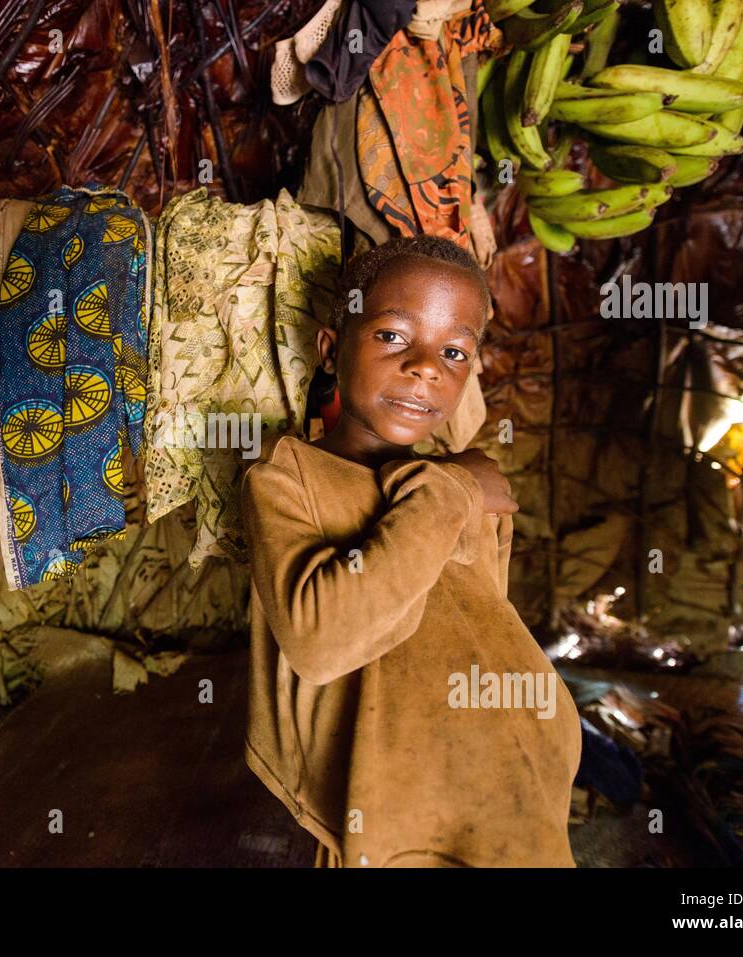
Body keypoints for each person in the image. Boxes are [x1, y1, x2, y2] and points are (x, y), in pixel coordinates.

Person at [239, 234, 582, 868]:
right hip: (399, 807)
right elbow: (323, 640)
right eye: (394, 336)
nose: (425, 366)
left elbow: (481, 620)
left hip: (525, 785)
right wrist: (451, 488)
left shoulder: (464, 485)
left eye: (454, 351)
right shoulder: (287, 479)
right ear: (331, 347)